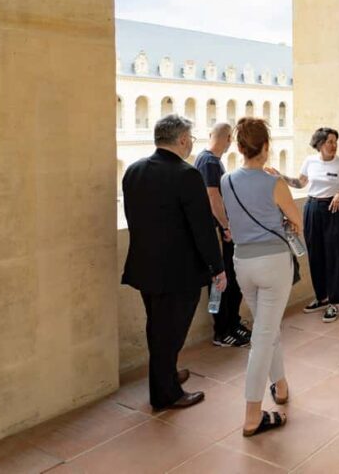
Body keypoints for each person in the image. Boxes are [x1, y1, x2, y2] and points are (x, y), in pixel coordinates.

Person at [122, 115, 226, 411]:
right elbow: (202, 229)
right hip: (179, 272)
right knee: (171, 331)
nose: (192, 143)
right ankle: (166, 394)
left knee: (158, 327)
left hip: (145, 265)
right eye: (190, 138)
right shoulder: (187, 174)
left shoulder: (134, 171)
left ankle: (166, 374)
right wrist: (217, 267)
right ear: (182, 140)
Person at [221, 118, 300, 437]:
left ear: (239, 148)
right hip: (273, 263)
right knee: (262, 337)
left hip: (242, 263)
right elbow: (297, 222)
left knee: (267, 328)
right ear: (266, 148)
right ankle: (252, 414)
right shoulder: (274, 183)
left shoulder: (226, 180)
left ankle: (280, 387)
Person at [269, 128, 339, 323]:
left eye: (335, 142)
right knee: (315, 254)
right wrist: (281, 176)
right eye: (329, 142)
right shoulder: (310, 162)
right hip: (312, 208)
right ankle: (322, 297)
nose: (333, 145)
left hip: (333, 209)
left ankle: (335, 301)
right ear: (319, 144)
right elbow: (300, 183)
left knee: (335, 255)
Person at [194, 122, 252, 347]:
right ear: (228, 139)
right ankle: (221, 331)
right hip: (218, 233)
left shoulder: (208, 160)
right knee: (221, 282)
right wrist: (227, 226)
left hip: (221, 232)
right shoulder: (209, 161)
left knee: (231, 281)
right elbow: (212, 197)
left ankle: (232, 323)